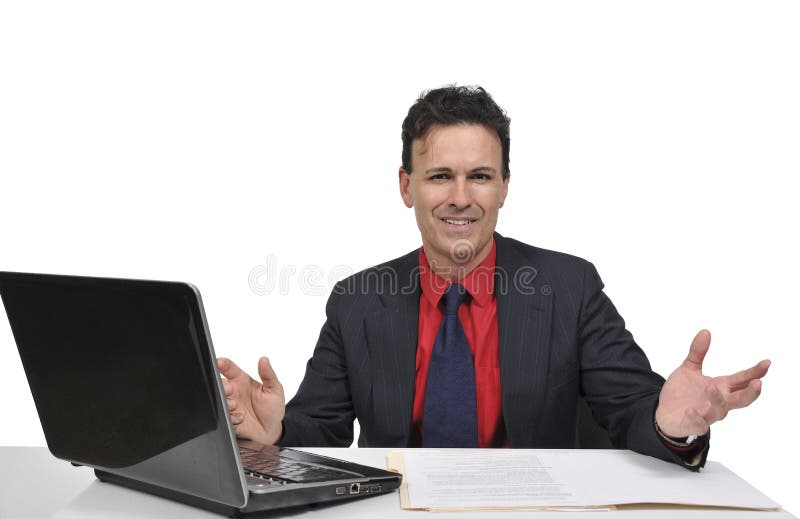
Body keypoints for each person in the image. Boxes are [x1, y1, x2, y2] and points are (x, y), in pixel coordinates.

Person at [217, 85, 770, 470]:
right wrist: (278, 433)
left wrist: (673, 425)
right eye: (440, 176)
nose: (461, 198)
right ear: (407, 187)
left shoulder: (570, 288)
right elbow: (322, 428)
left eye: (480, 176)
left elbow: (631, 410)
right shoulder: (356, 302)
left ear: (505, 186)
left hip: (535, 518)